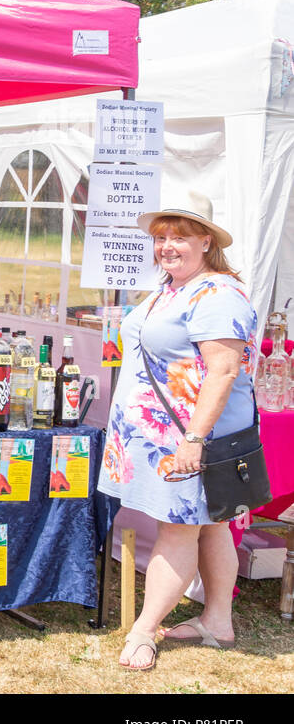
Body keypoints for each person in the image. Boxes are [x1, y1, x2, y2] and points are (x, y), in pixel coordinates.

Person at [98, 192, 258, 671]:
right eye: (161, 237)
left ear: (206, 240)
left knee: (179, 530)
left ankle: (145, 631)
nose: (167, 246)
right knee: (211, 524)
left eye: (180, 237)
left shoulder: (218, 293)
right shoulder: (173, 287)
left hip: (190, 439)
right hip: (161, 437)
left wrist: (193, 440)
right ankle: (218, 622)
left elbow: (224, 371)